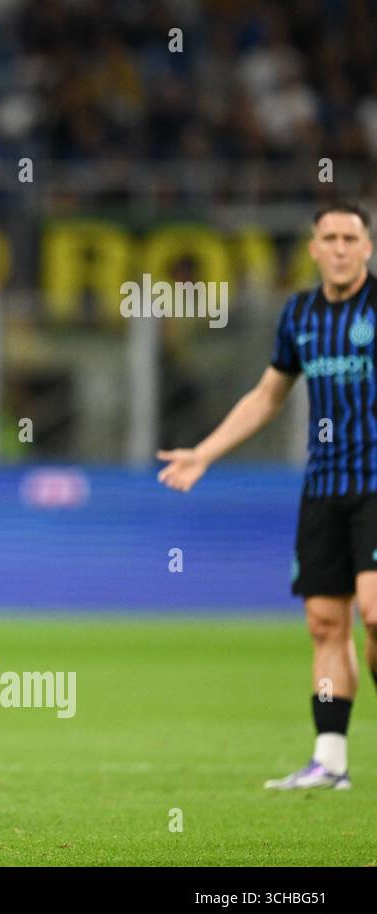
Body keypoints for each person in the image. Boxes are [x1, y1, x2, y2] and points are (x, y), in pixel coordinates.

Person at [158, 201, 377, 791]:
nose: (338, 247)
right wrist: (203, 452)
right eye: (328, 237)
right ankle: (330, 760)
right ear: (312, 249)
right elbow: (268, 395)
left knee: (376, 613)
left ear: (367, 247)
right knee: (325, 622)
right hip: (325, 484)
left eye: (349, 237)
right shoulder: (300, 315)